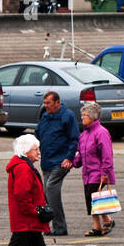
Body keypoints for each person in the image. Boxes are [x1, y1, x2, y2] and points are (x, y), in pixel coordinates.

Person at [34, 90, 79, 237]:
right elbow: (37, 135)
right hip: (47, 162)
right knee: (47, 193)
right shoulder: (45, 117)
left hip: (61, 162)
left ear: (57, 102)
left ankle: (60, 228)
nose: (46, 106)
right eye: (45, 103)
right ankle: (56, 226)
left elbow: (74, 139)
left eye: (49, 103)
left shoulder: (67, 116)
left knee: (51, 188)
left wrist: (69, 157)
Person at [72, 102, 116, 237]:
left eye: (84, 115)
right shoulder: (84, 134)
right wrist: (73, 162)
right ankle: (100, 225)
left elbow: (107, 155)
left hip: (98, 172)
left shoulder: (101, 132)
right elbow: (81, 154)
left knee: (94, 198)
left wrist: (104, 173)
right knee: (90, 199)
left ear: (92, 116)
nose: (82, 117)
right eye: (82, 115)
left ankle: (106, 221)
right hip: (87, 173)